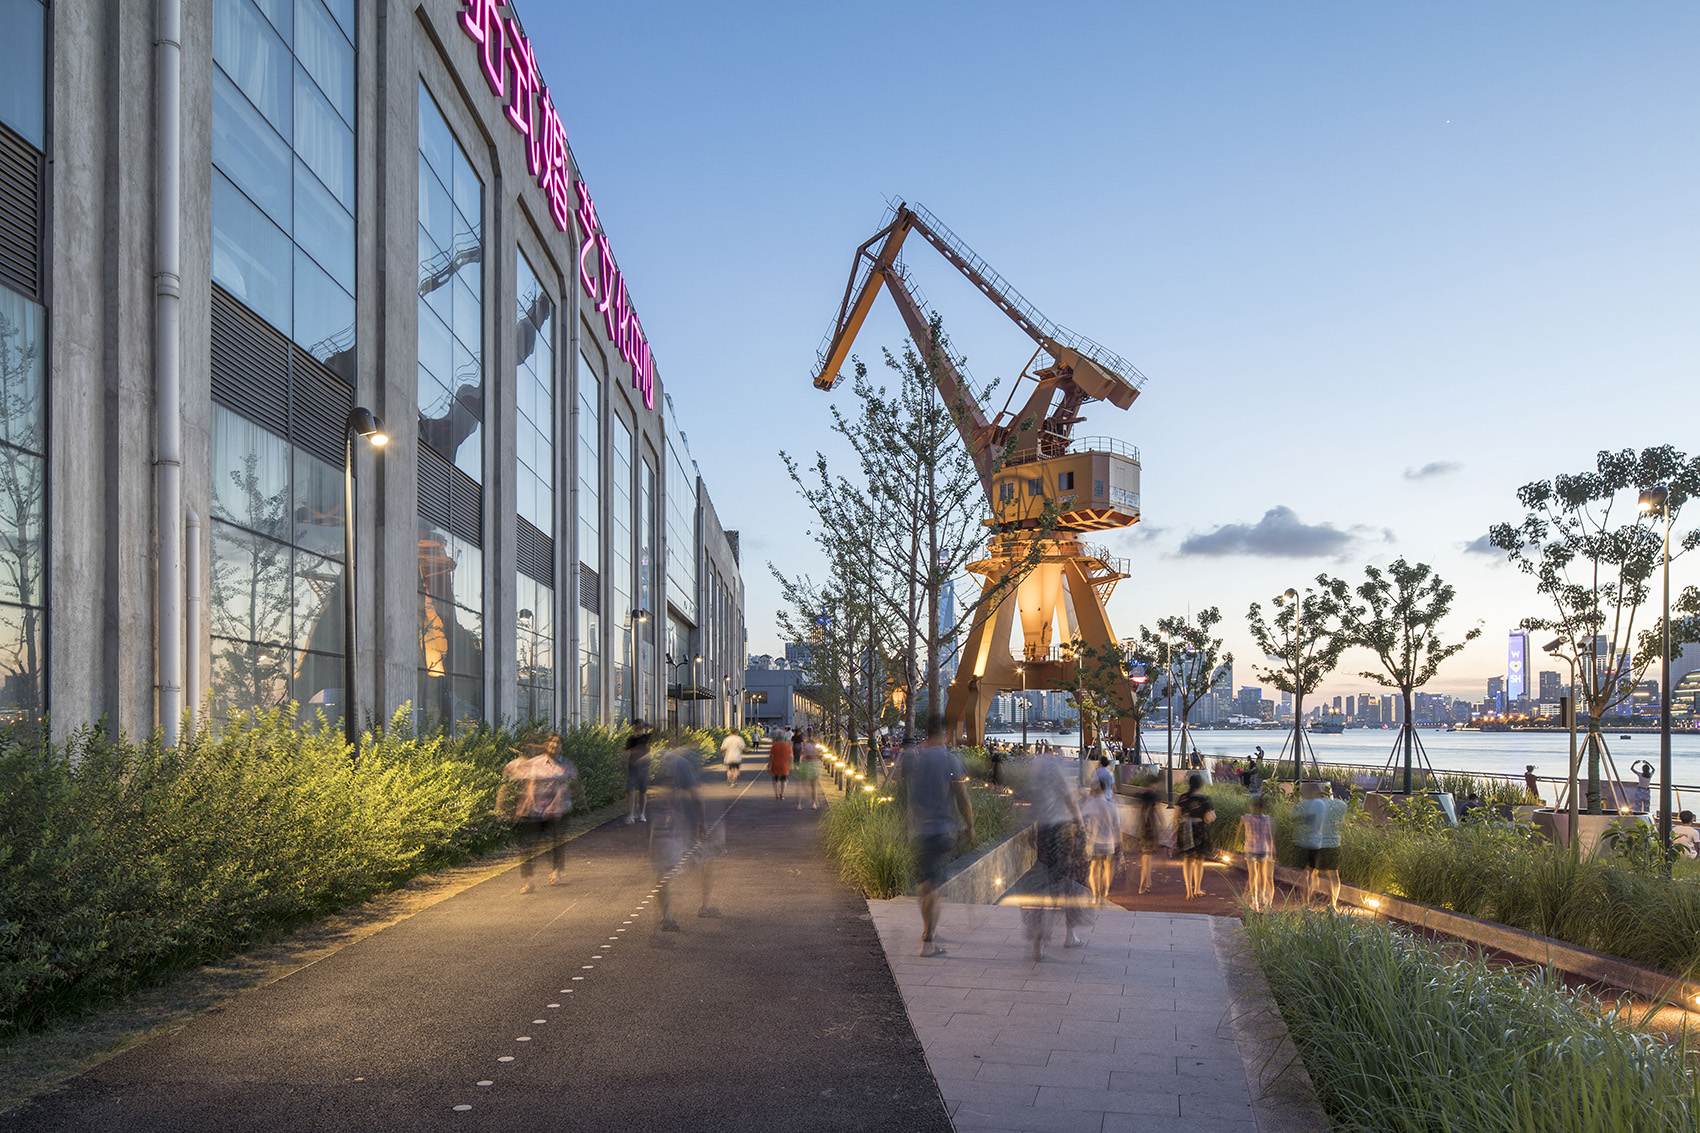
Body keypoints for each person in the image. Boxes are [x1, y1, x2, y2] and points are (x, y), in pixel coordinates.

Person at [898, 714, 975, 957]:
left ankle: (927, 930)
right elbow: (961, 796)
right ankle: (928, 941)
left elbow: (901, 792)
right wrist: (970, 825)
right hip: (940, 829)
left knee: (926, 882)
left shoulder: (913, 758)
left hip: (917, 829)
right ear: (944, 732)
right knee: (933, 886)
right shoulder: (949, 759)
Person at [1021, 753, 1088, 960]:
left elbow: (1032, 808)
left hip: (1043, 832)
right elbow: (1070, 801)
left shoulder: (1037, 776)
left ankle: (1038, 944)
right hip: (1061, 831)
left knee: (1041, 885)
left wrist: (1031, 830)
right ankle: (1070, 935)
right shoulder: (1056, 771)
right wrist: (1080, 825)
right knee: (1069, 883)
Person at [497, 733, 579, 893]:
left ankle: (556, 872)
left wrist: (552, 806)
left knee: (556, 842)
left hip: (557, 810)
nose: (554, 745)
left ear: (561, 746)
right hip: (536, 809)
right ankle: (528, 881)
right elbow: (531, 783)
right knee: (527, 845)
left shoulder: (565, 765)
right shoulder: (536, 763)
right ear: (545, 745)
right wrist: (528, 803)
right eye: (551, 742)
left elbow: (564, 787)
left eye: (558, 742)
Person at [650, 746, 718, 930]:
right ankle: (705, 905)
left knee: (664, 871)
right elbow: (695, 796)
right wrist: (702, 822)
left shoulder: (654, 764)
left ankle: (667, 917)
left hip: (660, 822)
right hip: (685, 821)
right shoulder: (683, 764)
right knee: (707, 858)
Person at [1295, 783, 1346, 908]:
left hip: (1318, 843)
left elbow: (1308, 820)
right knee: (1334, 875)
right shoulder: (1340, 805)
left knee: (1310, 873)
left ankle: (1306, 903)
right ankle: (1333, 904)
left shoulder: (1317, 805)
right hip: (1334, 843)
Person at [1176, 772, 1216, 900]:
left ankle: (1188, 891)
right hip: (1199, 831)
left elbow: (1175, 818)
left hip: (1186, 831)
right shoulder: (1204, 799)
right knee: (1199, 861)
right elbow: (1209, 817)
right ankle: (1197, 889)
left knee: (1187, 861)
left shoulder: (1182, 799)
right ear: (1200, 785)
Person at [1082, 778, 1122, 906]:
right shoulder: (1112, 806)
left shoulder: (1088, 805)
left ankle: (1095, 894)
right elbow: (1117, 826)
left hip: (1094, 841)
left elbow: (1081, 823)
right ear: (1105, 790)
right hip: (1109, 842)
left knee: (1094, 867)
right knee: (1108, 866)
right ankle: (1105, 891)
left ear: (1093, 791)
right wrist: (1119, 842)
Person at [1239, 794, 1274, 911]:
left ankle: (1254, 902)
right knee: (1263, 875)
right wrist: (1272, 852)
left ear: (1251, 806)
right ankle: (1262, 896)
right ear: (1263, 807)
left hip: (1250, 849)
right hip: (1264, 849)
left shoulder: (1245, 818)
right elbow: (1269, 836)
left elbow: (1239, 833)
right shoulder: (1266, 819)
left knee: (1252, 875)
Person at [624, 719, 653, 824]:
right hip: (633, 767)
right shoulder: (631, 739)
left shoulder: (646, 737)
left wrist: (647, 725)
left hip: (644, 767)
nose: (638, 728)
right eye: (637, 726)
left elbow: (657, 730)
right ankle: (631, 815)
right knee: (631, 791)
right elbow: (627, 751)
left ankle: (641, 813)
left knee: (642, 791)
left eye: (640, 726)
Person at [1133, 785, 1160, 894]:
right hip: (1151, 833)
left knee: (1145, 860)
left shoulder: (1141, 808)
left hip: (1142, 834)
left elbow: (1136, 821)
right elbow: (1159, 818)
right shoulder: (1152, 809)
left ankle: (1145, 884)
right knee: (1147, 860)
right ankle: (1146, 883)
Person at [794, 729, 821, 809]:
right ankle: (813, 802)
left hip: (808, 763)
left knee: (807, 784)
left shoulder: (810, 743)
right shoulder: (814, 744)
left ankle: (809, 802)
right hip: (810, 763)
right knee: (811, 785)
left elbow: (802, 754)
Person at [767, 728, 793, 800]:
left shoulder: (774, 745)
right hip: (785, 765)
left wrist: (769, 765)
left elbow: (771, 756)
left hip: (775, 764)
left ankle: (776, 794)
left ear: (778, 736)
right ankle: (782, 794)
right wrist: (791, 765)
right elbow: (790, 756)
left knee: (775, 780)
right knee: (784, 780)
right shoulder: (788, 745)